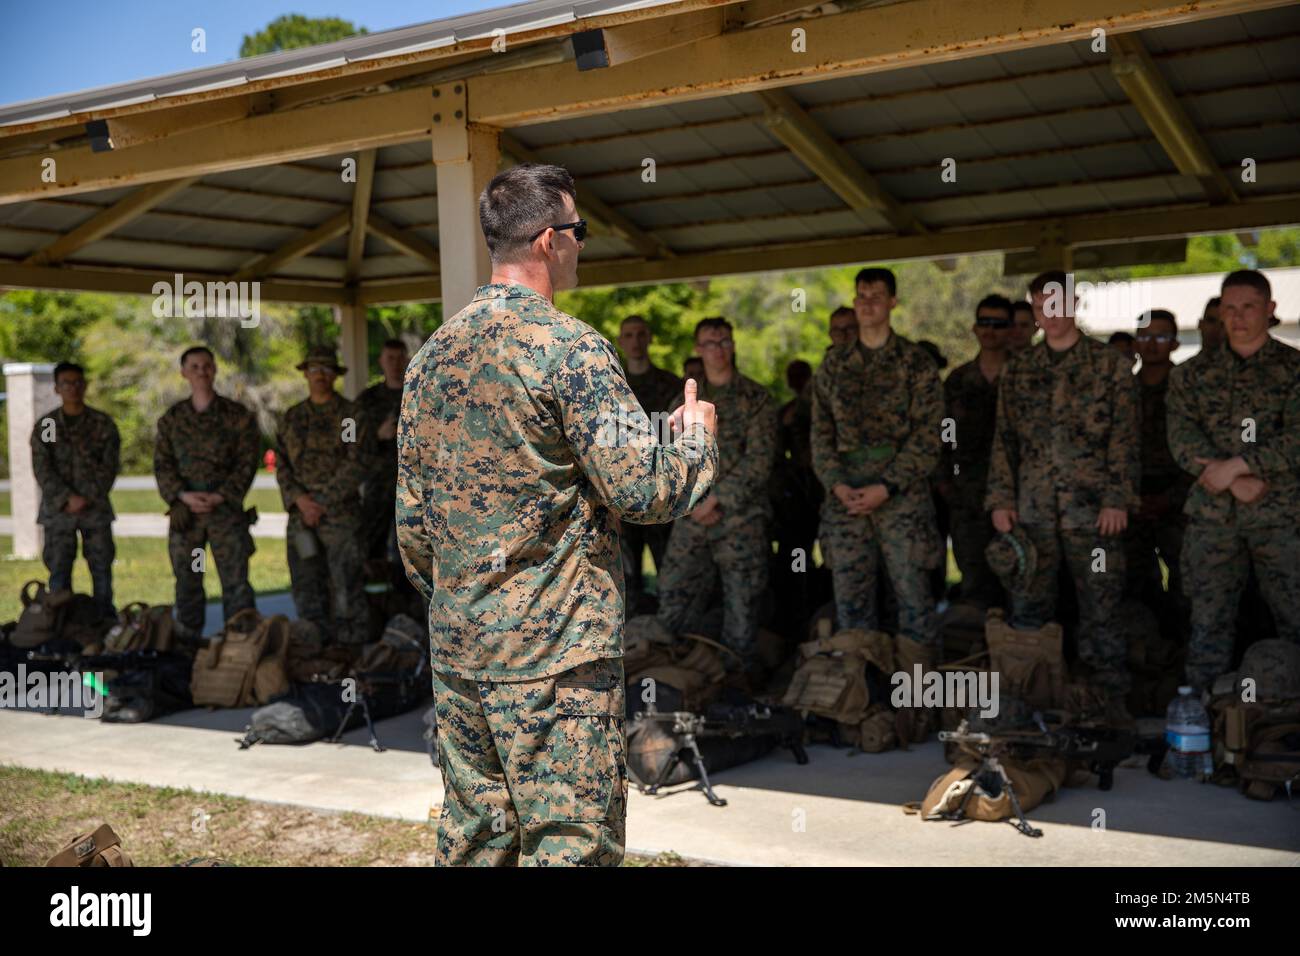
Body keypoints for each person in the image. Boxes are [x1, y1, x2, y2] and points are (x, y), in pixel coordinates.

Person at [397, 163, 718, 867]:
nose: (582, 245)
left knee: (479, 841)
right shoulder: (570, 351)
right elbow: (643, 494)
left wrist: (468, 605)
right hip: (556, 664)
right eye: (580, 232)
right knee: (570, 846)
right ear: (548, 241)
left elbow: (413, 527)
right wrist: (693, 435)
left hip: (461, 653)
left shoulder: (430, 360)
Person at [986, 271, 1140, 721]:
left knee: (1101, 610)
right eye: (1038, 308)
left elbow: (1125, 438)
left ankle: (1107, 713)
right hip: (1032, 515)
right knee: (1029, 609)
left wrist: (1117, 498)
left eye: (1055, 304)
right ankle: (1031, 706)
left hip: (1093, 515)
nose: (1047, 315)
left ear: (1074, 305)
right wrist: (1000, 498)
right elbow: (1005, 439)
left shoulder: (1108, 365)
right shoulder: (1020, 370)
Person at [1166, 270, 1300, 692]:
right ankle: (1206, 724)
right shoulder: (1190, 376)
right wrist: (1232, 480)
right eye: (1230, 309)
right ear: (1219, 313)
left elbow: (1296, 437)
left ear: (1270, 310)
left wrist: (1238, 464)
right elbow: (1182, 439)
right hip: (1213, 517)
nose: (1238, 318)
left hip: (1281, 516)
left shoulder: (1293, 369)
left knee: (1295, 618)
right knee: (1208, 624)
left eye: (1249, 307)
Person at [811, 267, 944, 663]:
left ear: (892, 302)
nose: (866, 304)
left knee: (914, 599)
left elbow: (929, 435)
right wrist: (836, 485)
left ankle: (918, 704)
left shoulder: (915, 363)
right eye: (861, 296)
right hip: (846, 499)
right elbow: (819, 435)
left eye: (875, 296)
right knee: (851, 601)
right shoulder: (834, 365)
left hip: (900, 498)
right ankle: (860, 703)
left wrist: (887, 486)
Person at [656, 317, 776, 676]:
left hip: (739, 519)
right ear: (698, 349)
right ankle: (674, 678)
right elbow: (663, 457)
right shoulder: (679, 403)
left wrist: (716, 498)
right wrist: (691, 503)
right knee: (673, 596)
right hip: (692, 519)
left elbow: (761, 460)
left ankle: (736, 688)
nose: (718, 349)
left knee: (742, 607)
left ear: (734, 344)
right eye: (710, 343)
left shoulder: (757, 399)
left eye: (724, 341)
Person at [154, 346, 261, 638]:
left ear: (214, 369)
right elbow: (162, 464)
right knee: (188, 582)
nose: (202, 371)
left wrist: (222, 495)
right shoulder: (172, 419)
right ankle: (189, 649)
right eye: (195, 366)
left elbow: (247, 461)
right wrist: (182, 495)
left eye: (207, 365)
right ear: (184, 373)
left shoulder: (237, 416)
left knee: (235, 583)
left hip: (224, 513)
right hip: (186, 517)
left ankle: (241, 648)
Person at [275, 346, 373, 646]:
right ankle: (313, 649)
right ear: (305, 373)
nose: (320, 375)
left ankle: (349, 653)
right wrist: (301, 501)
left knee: (346, 585)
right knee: (306, 585)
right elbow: (281, 465)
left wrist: (322, 502)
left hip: (339, 516)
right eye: (314, 369)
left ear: (336, 375)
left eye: (327, 370)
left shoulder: (350, 416)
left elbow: (357, 462)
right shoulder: (292, 418)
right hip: (301, 518)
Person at [29, 362, 120, 620]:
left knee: (101, 571)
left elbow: (109, 466)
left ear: (85, 385)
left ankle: (103, 623)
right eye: (66, 383)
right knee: (59, 573)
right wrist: (66, 498)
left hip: (95, 511)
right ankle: (59, 626)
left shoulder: (102, 424)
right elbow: (42, 466)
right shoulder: (47, 426)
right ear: (57, 388)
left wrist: (87, 498)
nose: (73, 388)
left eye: (78, 382)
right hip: (59, 513)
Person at [940, 294, 1013, 609]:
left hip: (1016, 501)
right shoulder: (957, 381)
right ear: (974, 328)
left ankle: (1018, 656)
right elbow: (942, 437)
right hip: (967, 499)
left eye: (998, 324)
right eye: (985, 322)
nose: (990, 330)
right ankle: (974, 653)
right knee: (974, 582)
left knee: (1019, 583)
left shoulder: (1025, 376)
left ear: (1010, 329)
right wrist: (944, 484)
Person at [614, 314, 682, 615]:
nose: (635, 341)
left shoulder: (670, 384)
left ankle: (668, 632)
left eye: (641, 334)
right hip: (625, 494)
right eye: (628, 335)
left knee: (670, 569)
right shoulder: (614, 385)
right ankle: (635, 637)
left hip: (662, 491)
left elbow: (680, 441)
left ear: (650, 338)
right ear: (621, 341)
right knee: (626, 576)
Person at [1125, 311, 1192, 614]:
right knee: (1132, 583)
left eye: (1161, 336)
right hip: (1130, 503)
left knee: (1185, 584)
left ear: (1175, 344)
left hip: (1179, 502)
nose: (1152, 344)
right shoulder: (1121, 391)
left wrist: (1170, 498)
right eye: (1144, 336)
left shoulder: (1190, 389)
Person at [357, 338, 409, 566]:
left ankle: (405, 601)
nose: (395, 364)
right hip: (377, 489)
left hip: (410, 490)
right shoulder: (365, 400)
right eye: (390, 358)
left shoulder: (419, 394)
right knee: (372, 552)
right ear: (381, 361)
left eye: (400, 358)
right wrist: (377, 436)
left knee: (408, 555)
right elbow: (346, 439)